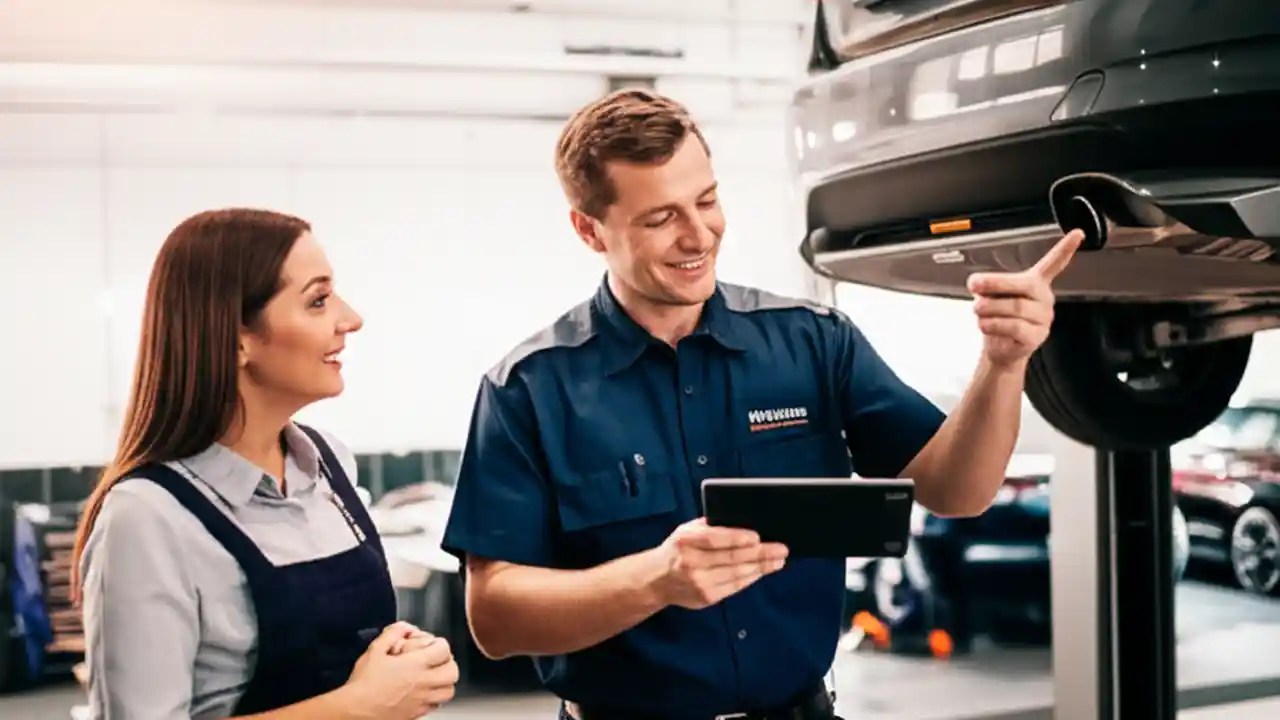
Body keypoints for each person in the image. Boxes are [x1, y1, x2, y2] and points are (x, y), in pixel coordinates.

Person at [441, 88, 1083, 720]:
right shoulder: (528, 388)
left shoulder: (813, 343)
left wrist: (1003, 363)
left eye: (708, 200)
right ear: (589, 230)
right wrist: (657, 579)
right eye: (661, 217)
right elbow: (494, 616)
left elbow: (958, 491)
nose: (699, 236)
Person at [72, 208, 460, 720]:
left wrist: (403, 663)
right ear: (237, 338)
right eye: (318, 300)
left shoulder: (330, 465)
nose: (351, 318)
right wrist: (359, 705)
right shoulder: (146, 518)